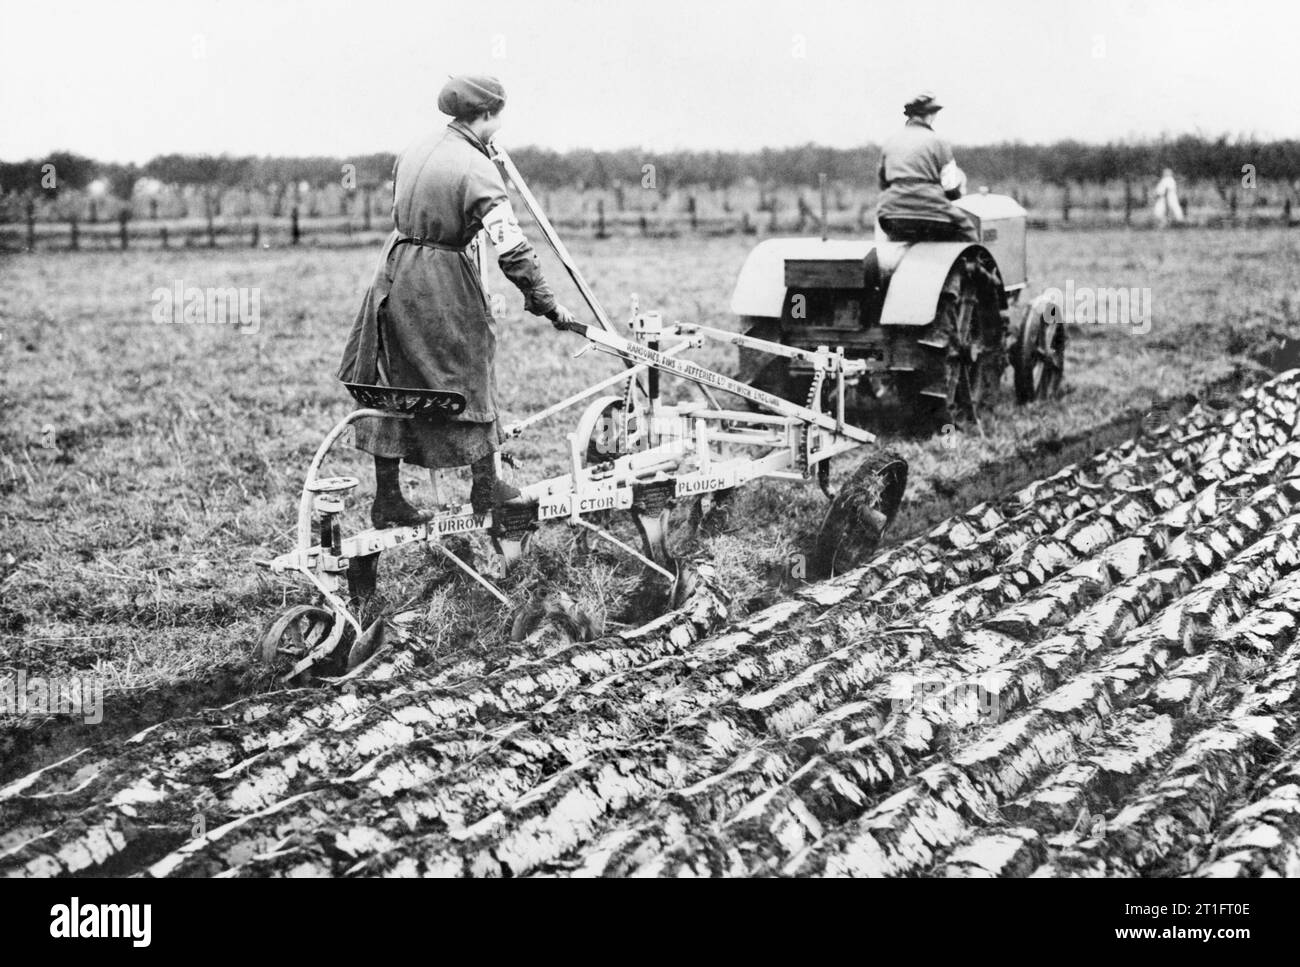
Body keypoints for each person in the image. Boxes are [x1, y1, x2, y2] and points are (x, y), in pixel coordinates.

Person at [338, 75, 577, 527]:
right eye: (498, 118)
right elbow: (511, 247)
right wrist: (544, 301)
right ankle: (486, 487)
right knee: (470, 368)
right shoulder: (476, 168)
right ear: (487, 115)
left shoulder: (413, 150)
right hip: (441, 280)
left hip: (393, 271)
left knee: (392, 379)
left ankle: (387, 498)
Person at [875, 91, 978, 242]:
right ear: (931, 115)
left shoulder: (890, 142)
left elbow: (883, 184)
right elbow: (951, 189)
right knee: (967, 230)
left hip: (890, 216)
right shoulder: (938, 142)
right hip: (930, 214)